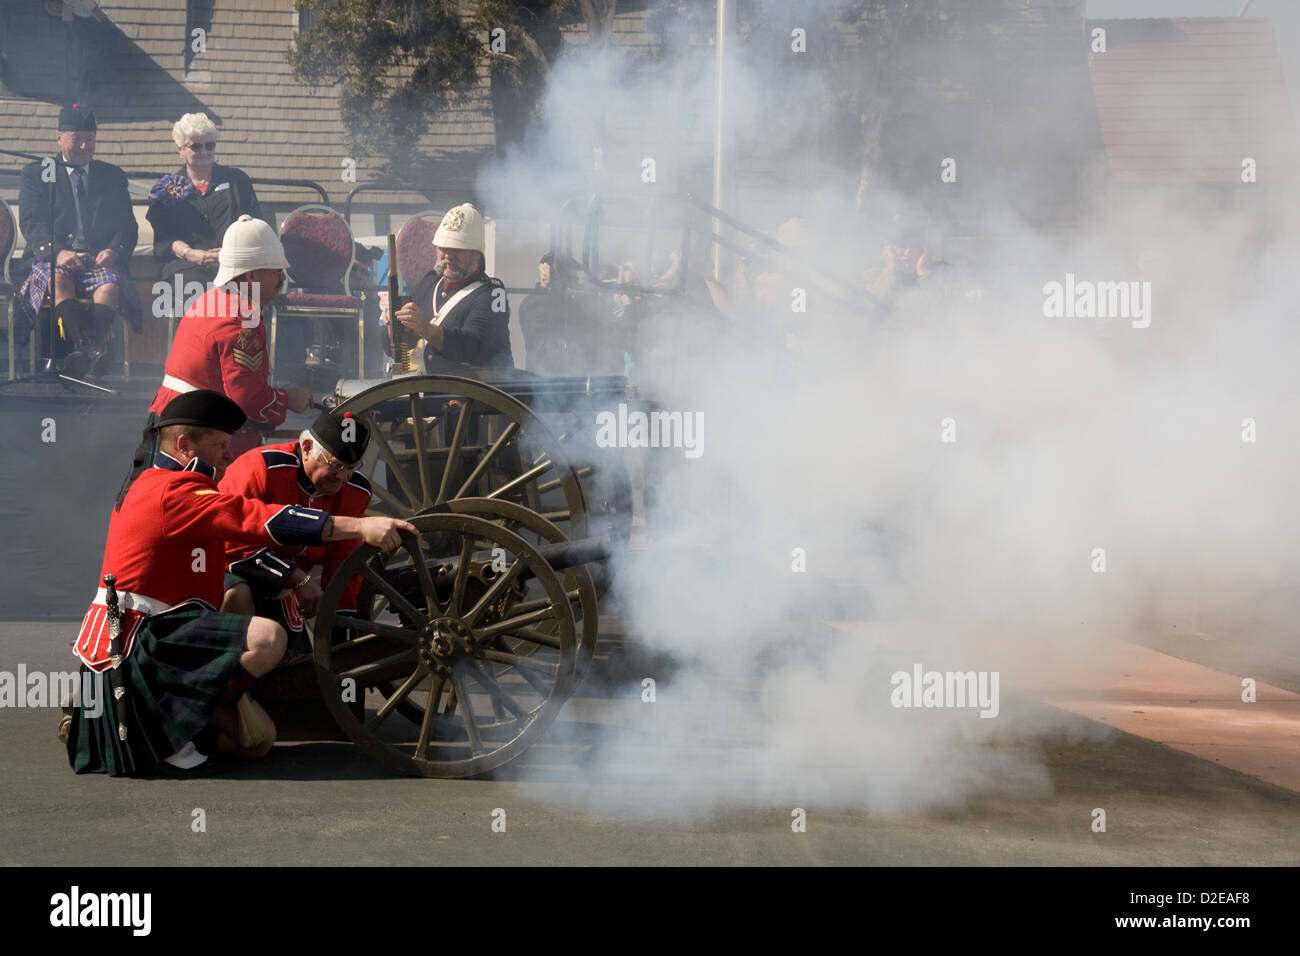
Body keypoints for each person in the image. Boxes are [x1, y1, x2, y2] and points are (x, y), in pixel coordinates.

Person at [65, 390, 415, 777]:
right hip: (141, 642)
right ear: (184, 446)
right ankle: (162, 717)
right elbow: (255, 519)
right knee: (266, 637)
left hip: (170, 628)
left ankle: (180, 719)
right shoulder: (171, 491)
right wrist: (361, 527)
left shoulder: (166, 484)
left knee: (258, 741)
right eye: (220, 446)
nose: (228, 457)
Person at [148, 214, 313, 459]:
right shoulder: (241, 319)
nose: (282, 279)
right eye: (275, 271)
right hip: (193, 428)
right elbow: (248, 398)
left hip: (178, 415)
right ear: (251, 276)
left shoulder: (215, 299)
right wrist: (287, 399)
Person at [218, 408, 374, 656]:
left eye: (351, 467)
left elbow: (343, 572)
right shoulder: (259, 468)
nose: (343, 477)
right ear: (308, 447)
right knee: (239, 595)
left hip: (289, 591)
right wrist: (295, 577)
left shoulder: (356, 492)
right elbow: (229, 543)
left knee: (297, 677)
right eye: (336, 464)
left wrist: (344, 654)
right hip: (229, 574)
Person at [16, 105, 141, 377]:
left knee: (110, 285)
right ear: (59, 138)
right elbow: (31, 222)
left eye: (90, 139)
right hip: (53, 258)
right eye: (77, 139)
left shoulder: (112, 175)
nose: (85, 146)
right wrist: (57, 253)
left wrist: (114, 250)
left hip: (97, 259)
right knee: (58, 280)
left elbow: (127, 226)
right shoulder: (37, 174)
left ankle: (86, 351)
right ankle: (88, 348)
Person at [147, 111, 265, 306]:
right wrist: (191, 253)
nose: (204, 151)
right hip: (187, 264)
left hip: (234, 263)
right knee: (193, 292)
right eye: (196, 146)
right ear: (180, 149)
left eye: (209, 145)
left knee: (248, 295)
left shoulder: (237, 181)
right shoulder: (168, 189)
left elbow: (256, 227)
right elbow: (164, 239)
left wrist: (230, 253)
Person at [394, 203, 513, 369]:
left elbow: (474, 346)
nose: (448, 256)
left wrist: (426, 329)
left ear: (476, 254)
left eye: (457, 249)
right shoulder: (430, 282)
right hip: (429, 388)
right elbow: (401, 345)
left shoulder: (493, 294)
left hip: (472, 391)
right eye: (443, 248)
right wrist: (394, 326)